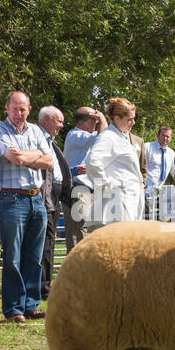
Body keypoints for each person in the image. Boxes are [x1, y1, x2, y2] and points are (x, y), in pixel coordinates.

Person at [0, 91, 54, 322]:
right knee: (13, 256)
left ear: (30, 109)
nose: (19, 113)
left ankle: (31, 305)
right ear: (7, 108)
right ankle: (14, 308)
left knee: (34, 256)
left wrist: (27, 155)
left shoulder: (36, 130)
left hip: (36, 198)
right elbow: (14, 158)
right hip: (12, 198)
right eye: (15, 108)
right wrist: (36, 153)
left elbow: (50, 161)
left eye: (23, 109)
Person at [84, 97, 146, 231]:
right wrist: (107, 184)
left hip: (127, 201)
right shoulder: (108, 137)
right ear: (117, 118)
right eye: (129, 119)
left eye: (134, 118)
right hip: (118, 203)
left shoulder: (120, 136)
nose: (133, 122)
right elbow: (92, 162)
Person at [37, 105, 72, 299]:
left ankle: (45, 286)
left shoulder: (52, 142)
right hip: (43, 195)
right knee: (44, 242)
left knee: (49, 241)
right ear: (47, 120)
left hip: (55, 195)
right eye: (59, 121)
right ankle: (42, 288)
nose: (61, 125)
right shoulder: (38, 137)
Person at [61, 106, 106, 251]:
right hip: (78, 190)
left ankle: (84, 269)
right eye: (94, 119)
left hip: (88, 190)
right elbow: (103, 137)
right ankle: (76, 270)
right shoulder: (75, 135)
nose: (96, 123)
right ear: (87, 120)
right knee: (78, 233)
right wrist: (103, 120)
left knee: (89, 233)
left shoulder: (84, 140)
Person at [144, 124, 175, 220]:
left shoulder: (171, 153)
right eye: (163, 135)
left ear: (171, 138)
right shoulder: (147, 147)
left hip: (160, 194)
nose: (165, 138)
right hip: (145, 192)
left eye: (168, 136)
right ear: (158, 136)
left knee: (161, 221)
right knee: (146, 220)